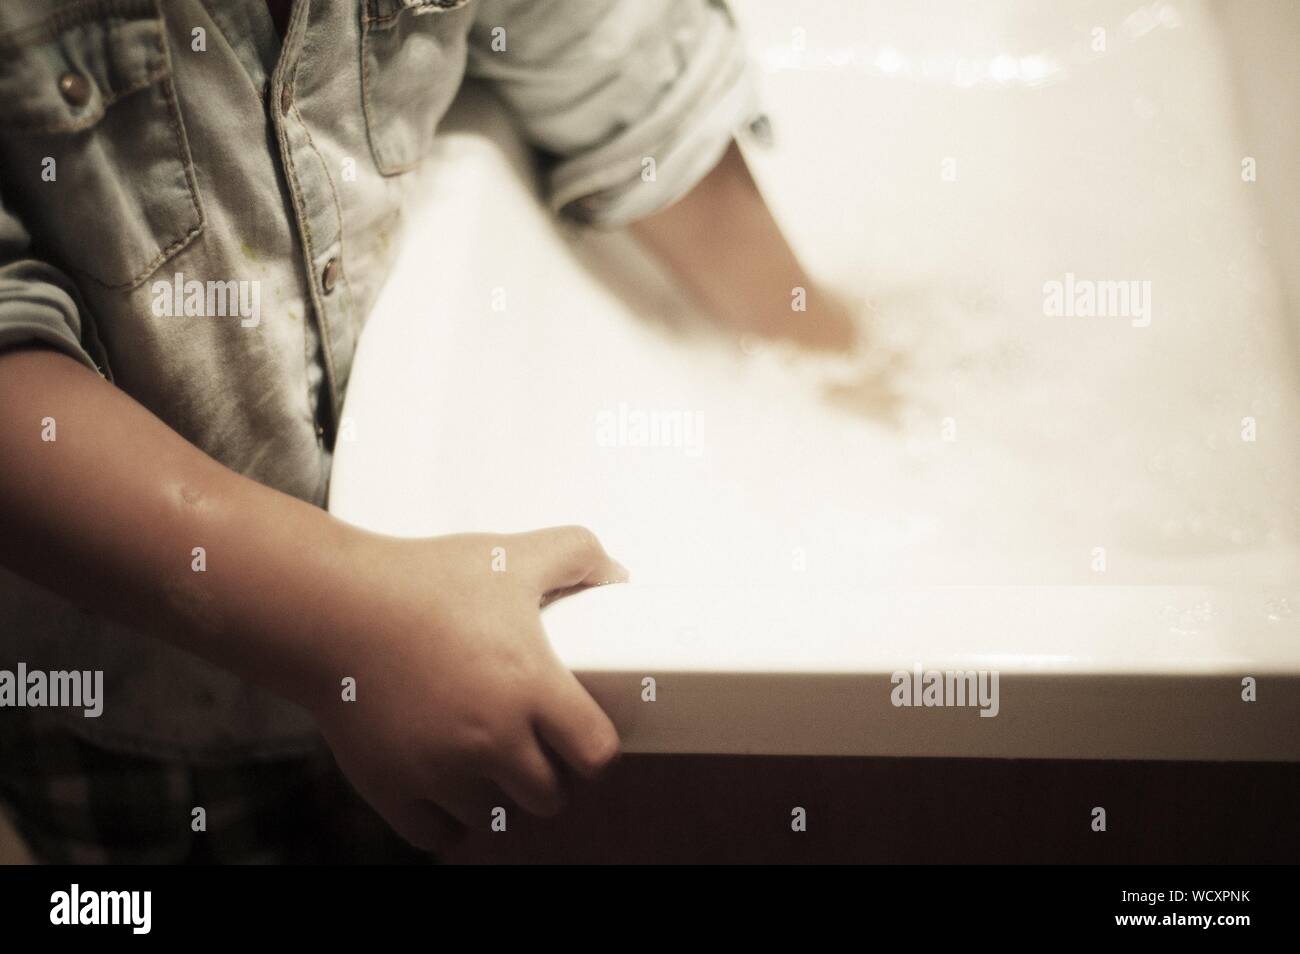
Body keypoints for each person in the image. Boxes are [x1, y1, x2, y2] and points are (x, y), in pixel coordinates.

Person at [0, 0, 852, 862]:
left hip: (442, 628)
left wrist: (829, 363)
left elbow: (597, 42)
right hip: (143, 695)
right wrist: (348, 622)